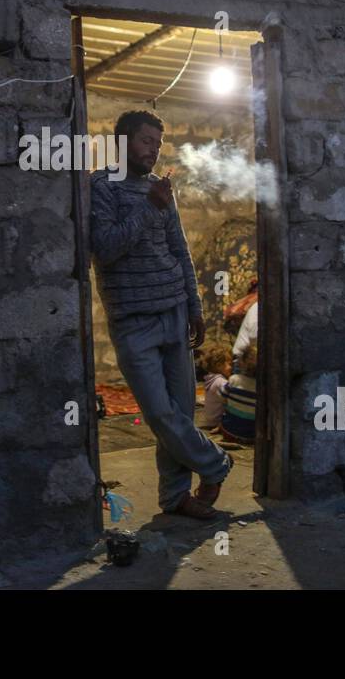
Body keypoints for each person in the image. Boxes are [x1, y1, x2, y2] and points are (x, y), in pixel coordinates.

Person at [90, 110, 233, 520]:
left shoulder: (159, 188)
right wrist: (149, 210)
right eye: (145, 140)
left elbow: (180, 251)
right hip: (132, 318)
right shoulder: (101, 186)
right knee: (159, 413)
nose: (154, 149)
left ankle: (175, 498)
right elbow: (106, 247)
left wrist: (195, 307)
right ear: (122, 142)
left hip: (173, 309)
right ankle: (216, 464)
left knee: (181, 413)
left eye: (158, 142)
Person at [195, 346, 230, 431]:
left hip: (210, 419)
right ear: (218, 366)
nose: (231, 367)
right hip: (217, 421)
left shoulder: (210, 379)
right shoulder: (220, 382)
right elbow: (231, 398)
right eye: (229, 364)